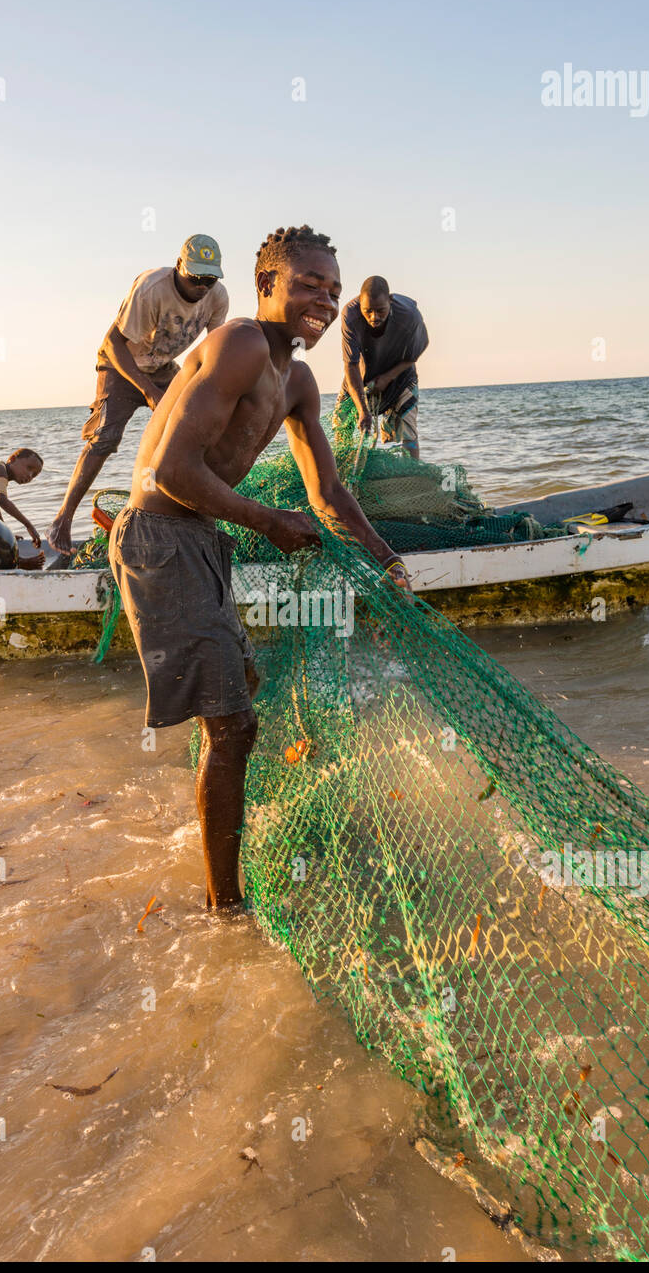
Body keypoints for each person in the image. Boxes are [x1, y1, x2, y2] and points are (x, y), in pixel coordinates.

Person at [109, 225, 412, 914]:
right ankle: (226, 906)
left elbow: (328, 494)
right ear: (266, 286)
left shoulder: (298, 381)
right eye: (308, 285)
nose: (324, 300)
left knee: (240, 690)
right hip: (160, 535)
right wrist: (271, 524)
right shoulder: (239, 343)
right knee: (234, 724)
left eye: (333, 291)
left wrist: (387, 558)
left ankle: (219, 835)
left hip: (200, 534)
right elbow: (172, 470)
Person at [48, 235, 230, 554]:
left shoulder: (217, 297)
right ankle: (62, 519)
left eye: (210, 279)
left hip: (162, 365)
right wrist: (148, 391)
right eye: (196, 278)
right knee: (105, 438)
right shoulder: (151, 289)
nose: (202, 286)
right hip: (122, 364)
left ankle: (186, 513)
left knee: (201, 426)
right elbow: (112, 343)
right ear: (179, 267)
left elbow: (214, 351)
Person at [336, 276, 429, 459]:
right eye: (368, 311)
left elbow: (419, 348)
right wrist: (362, 408)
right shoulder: (350, 315)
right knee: (341, 424)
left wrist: (389, 377)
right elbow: (351, 365)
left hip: (401, 377)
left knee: (408, 430)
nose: (374, 317)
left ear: (390, 301)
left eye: (380, 310)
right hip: (360, 376)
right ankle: (341, 474)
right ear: (360, 303)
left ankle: (411, 477)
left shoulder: (409, 315)